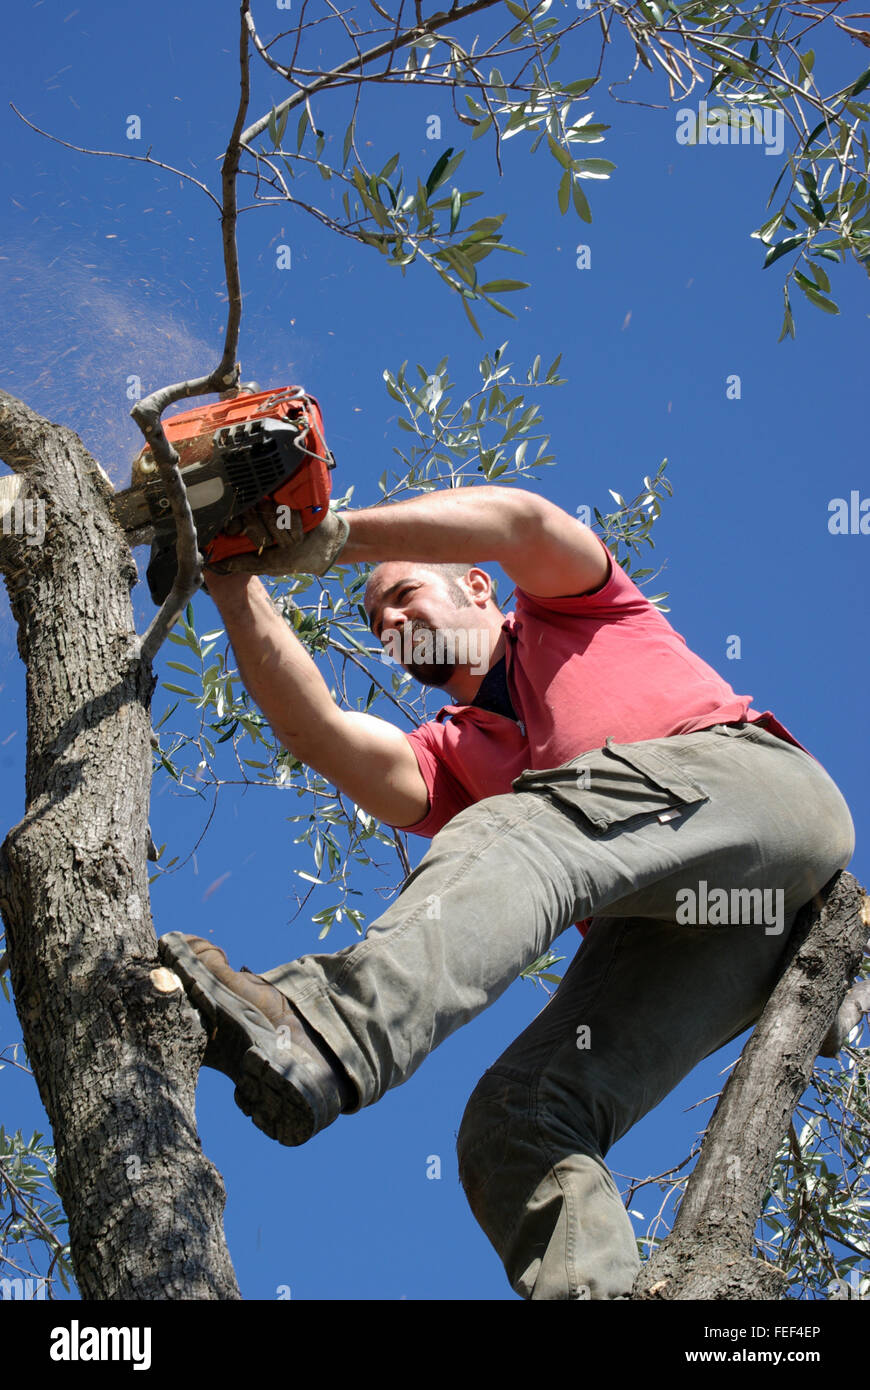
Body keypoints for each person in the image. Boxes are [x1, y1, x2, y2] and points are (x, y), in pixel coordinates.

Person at [158, 483, 855, 1300]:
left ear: (478, 586)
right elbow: (315, 733)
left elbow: (522, 523)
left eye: (404, 594)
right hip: (718, 933)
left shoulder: (576, 610)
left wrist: (324, 536)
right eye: (377, 624)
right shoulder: (453, 757)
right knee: (516, 1119)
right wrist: (232, 580)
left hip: (762, 805)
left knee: (512, 827)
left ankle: (323, 1028)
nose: (389, 627)